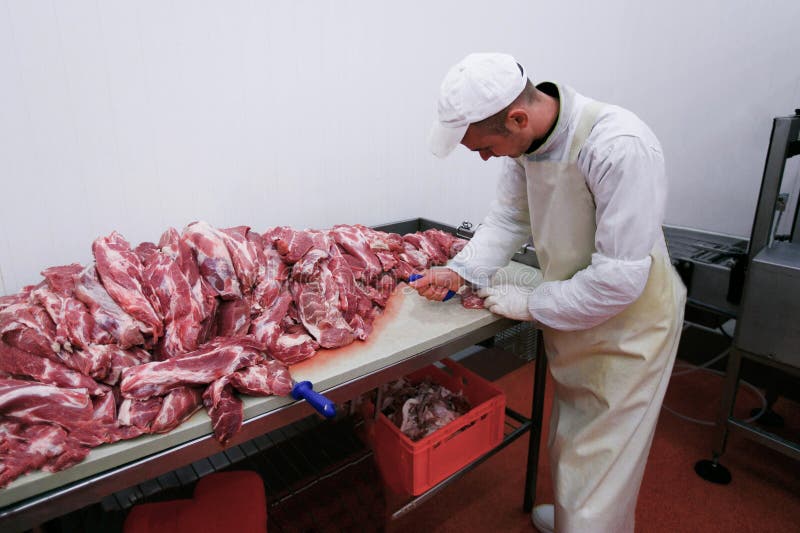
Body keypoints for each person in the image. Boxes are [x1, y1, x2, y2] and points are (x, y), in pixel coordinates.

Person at [411, 53, 686, 533]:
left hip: (630, 326)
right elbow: (509, 217)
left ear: (518, 119)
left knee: (604, 458)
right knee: (572, 435)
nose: (484, 157)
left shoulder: (619, 146)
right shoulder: (527, 147)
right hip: (578, 310)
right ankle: (571, 518)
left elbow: (620, 279)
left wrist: (533, 303)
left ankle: (588, 524)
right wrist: (461, 272)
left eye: (485, 147)